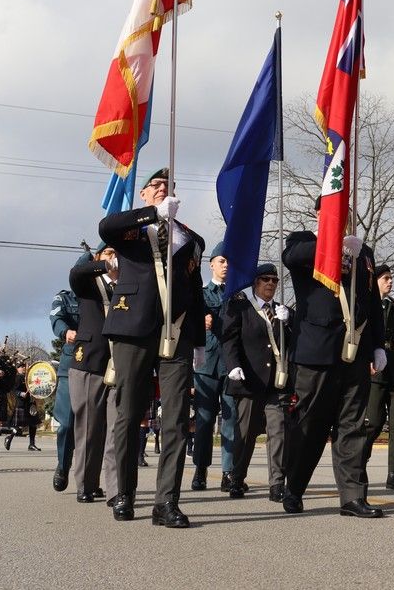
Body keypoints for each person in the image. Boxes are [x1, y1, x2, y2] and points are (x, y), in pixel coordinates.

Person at [99, 167, 206, 527]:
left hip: (177, 331)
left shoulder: (191, 238)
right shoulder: (131, 228)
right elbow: (106, 228)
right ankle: (125, 494)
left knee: (176, 417)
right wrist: (153, 216)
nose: (163, 190)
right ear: (144, 194)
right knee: (130, 413)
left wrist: (200, 341)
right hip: (135, 325)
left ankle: (166, 502)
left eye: (168, 186)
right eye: (156, 186)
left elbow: (195, 288)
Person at [281, 224, 385, 518]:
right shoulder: (304, 242)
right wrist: (332, 246)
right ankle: (295, 487)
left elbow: (371, 301)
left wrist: (378, 344)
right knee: (311, 425)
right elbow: (291, 257)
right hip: (317, 351)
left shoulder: (363, 251)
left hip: (355, 349)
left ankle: (352, 496)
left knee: (352, 426)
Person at [221, 263, 291, 501]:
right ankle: (237, 478)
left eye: (274, 280)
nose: (270, 283)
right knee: (246, 433)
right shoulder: (241, 307)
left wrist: (288, 324)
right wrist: (233, 366)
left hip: (276, 382)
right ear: (255, 283)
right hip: (249, 380)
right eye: (265, 279)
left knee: (277, 431)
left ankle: (277, 484)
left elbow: (289, 346)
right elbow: (229, 340)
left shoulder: (283, 311)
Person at [68, 243, 119, 504]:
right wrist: (103, 265)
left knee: (115, 430)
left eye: (118, 254)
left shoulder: (127, 286)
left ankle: (115, 490)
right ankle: (86, 484)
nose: (115, 258)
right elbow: (75, 273)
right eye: (109, 252)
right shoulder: (89, 283)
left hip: (119, 364)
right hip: (90, 363)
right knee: (89, 428)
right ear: (98, 257)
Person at [191, 242, 238, 492]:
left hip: (231, 366)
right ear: (211, 264)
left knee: (231, 421)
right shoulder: (200, 294)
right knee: (204, 421)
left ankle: (228, 473)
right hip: (206, 366)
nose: (226, 265)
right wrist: (201, 319)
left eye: (229, 262)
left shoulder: (238, 295)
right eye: (221, 261)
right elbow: (188, 321)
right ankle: (200, 470)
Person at [363, 264, 394, 490]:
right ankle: (359, 465)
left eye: (391, 278)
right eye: (385, 278)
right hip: (374, 368)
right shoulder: (366, 306)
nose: (390, 282)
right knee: (373, 422)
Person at [50, 281, 80, 489]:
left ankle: (90, 476)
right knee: (67, 423)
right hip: (70, 365)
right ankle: (63, 465)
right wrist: (65, 332)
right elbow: (57, 318)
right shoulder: (64, 298)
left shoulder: (104, 295)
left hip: (98, 363)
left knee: (95, 427)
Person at [5, 362, 40, 452]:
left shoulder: (29, 377)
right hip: (22, 403)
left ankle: (32, 444)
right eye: (21, 367)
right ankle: (9, 437)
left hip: (31, 403)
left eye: (24, 366)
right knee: (18, 426)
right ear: (17, 369)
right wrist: (20, 393)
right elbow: (14, 389)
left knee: (33, 424)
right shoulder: (17, 378)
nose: (23, 368)